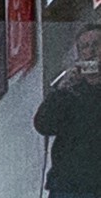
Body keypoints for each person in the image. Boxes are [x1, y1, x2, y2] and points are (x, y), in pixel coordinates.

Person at [33, 23, 101, 198]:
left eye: (97, 44)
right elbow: (43, 124)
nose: (91, 51)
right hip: (69, 185)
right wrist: (63, 89)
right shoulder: (71, 92)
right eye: (85, 47)